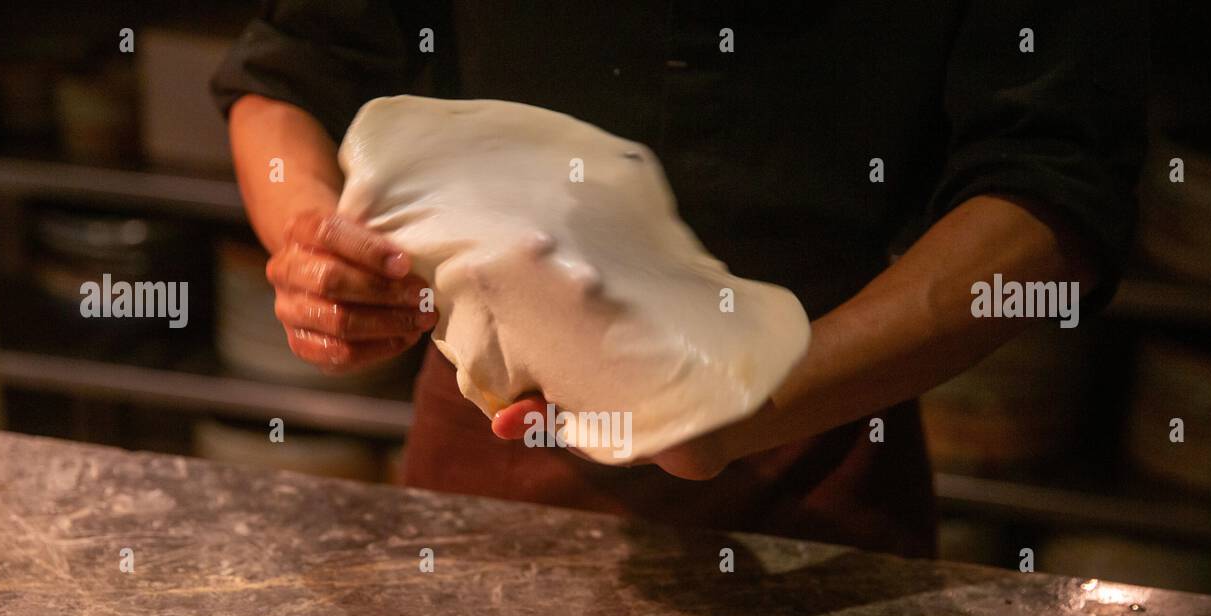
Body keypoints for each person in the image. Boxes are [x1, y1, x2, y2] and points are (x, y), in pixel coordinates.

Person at [212, 1, 1146, 557]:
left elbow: (1053, 180)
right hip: (491, 425)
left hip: (825, 421)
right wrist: (316, 241)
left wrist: (750, 394)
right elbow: (294, 65)